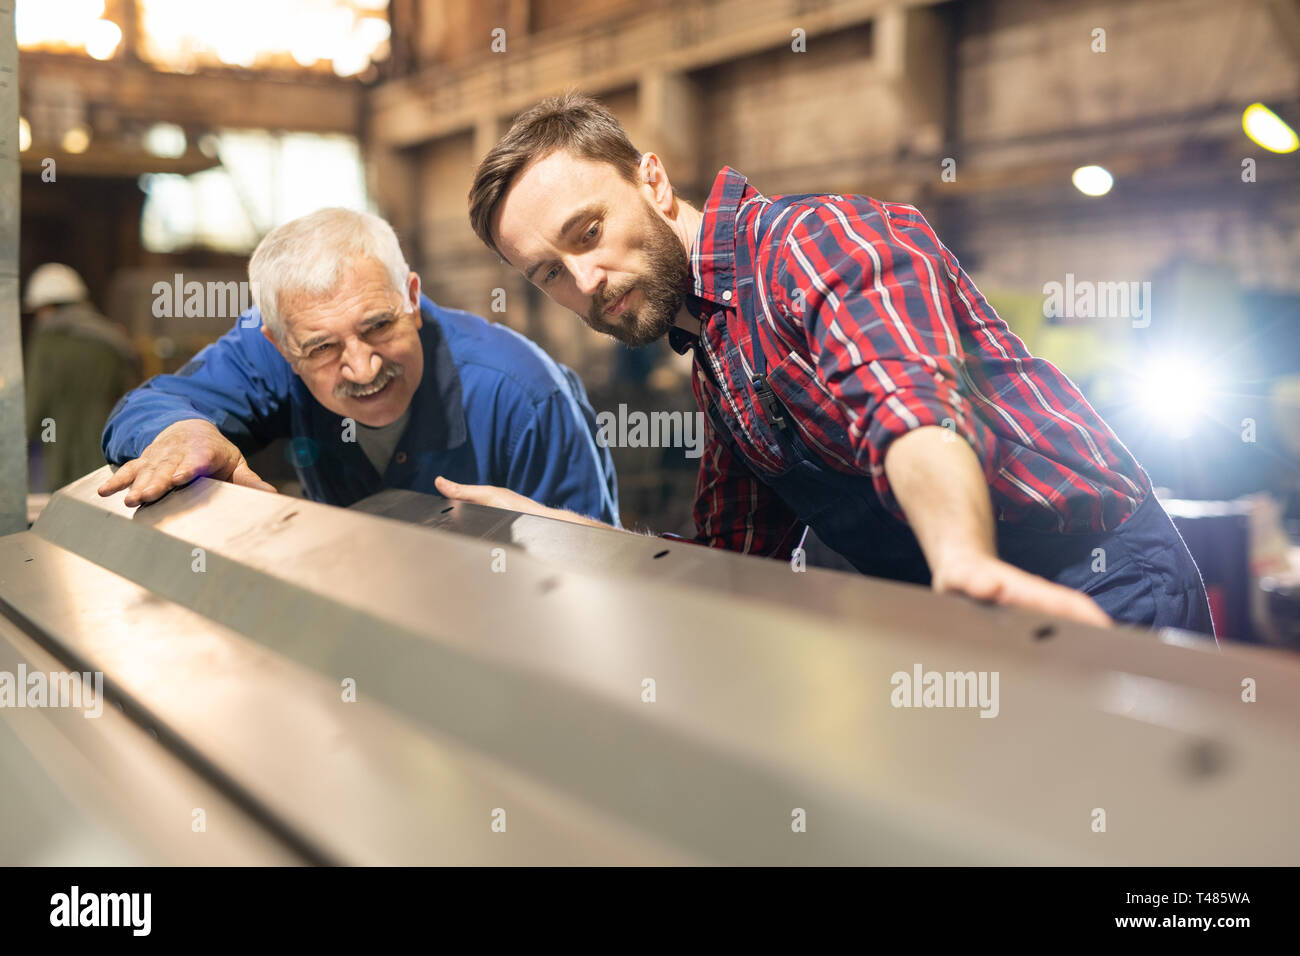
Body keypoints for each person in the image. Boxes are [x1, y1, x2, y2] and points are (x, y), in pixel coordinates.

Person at [443, 92, 1214, 632]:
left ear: (651, 179)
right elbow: (728, 561)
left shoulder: (810, 247)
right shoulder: (718, 352)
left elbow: (909, 405)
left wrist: (960, 555)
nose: (583, 282)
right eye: (548, 274)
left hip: (1097, 577)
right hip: (957, 604)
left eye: (586, 232)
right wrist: (558, 531)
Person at [99, 207, 619, 526]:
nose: (363, 367)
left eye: (378, 327)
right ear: (280, 346)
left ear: (412, 299)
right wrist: (182, 432)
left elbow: (601, 577)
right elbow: (147, 404)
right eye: (323, 349)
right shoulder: (270, 353)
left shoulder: (525, 397)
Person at [24, 263, 138, 491]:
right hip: (106, 448)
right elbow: (130, 395)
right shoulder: (112, 341)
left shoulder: (47, 342)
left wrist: (24, 436)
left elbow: (36, 404)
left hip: (59, 445)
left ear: (47, 307)